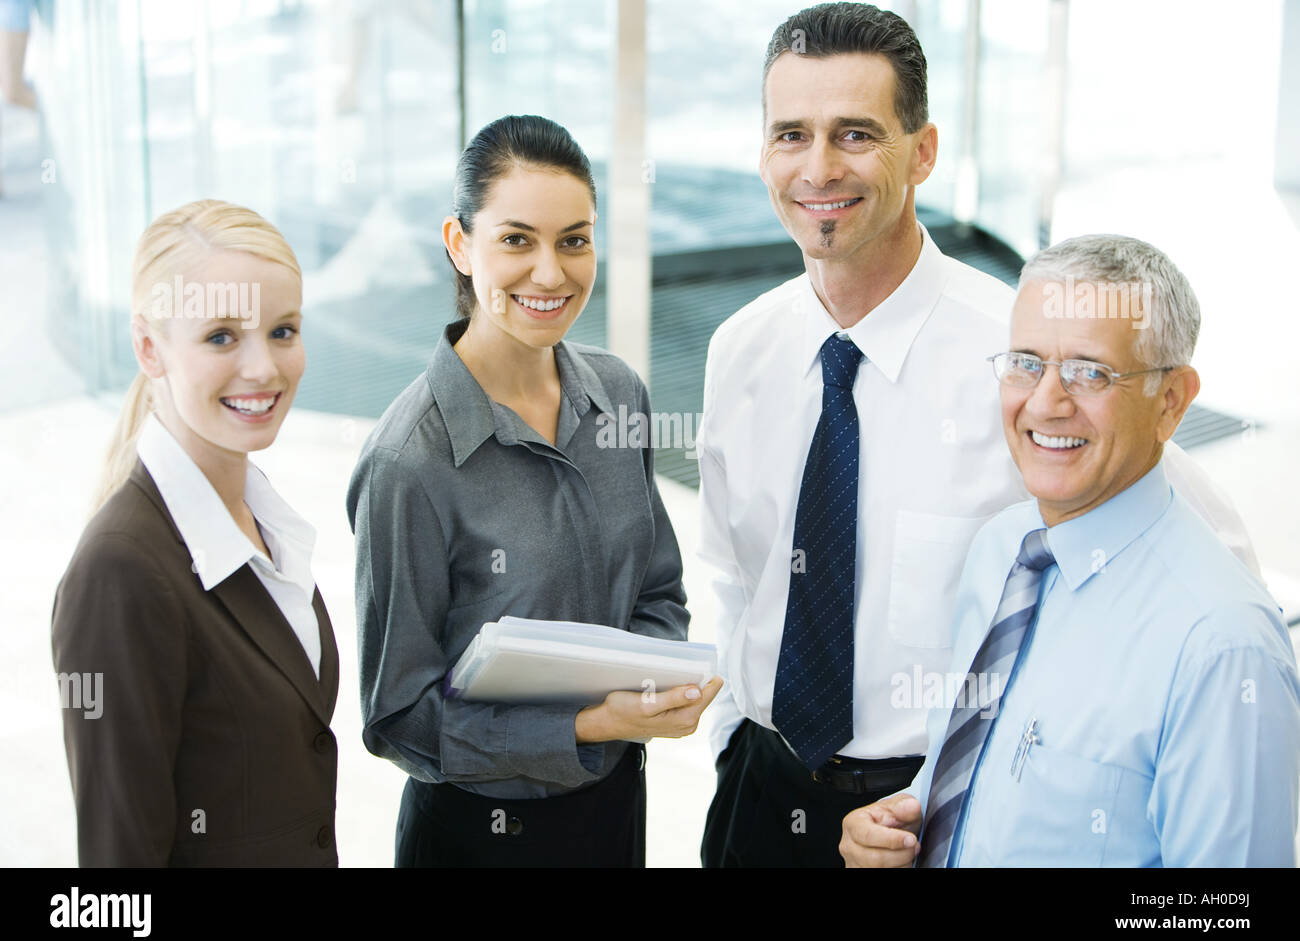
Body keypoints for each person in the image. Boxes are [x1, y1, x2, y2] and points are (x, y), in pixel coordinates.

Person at [697, 1, 1263, 868]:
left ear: (923, 150)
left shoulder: (1028, 362)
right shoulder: (739, 349)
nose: (818, 168)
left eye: (855, 134)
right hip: (760, 799)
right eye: (790, 134)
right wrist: (736, 742)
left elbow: (1195, 554)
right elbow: (739, 580)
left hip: (924, 814)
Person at [840, 235, 1300, 867]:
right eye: (1026, 362)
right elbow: (987, 767)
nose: (1047, 402)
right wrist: (905, 820)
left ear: (1171, 401)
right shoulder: (1002, 549)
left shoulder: (1223, 648)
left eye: (1091, 373)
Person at [347, 114, 722, 868]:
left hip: (615, 814)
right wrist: (584, 723)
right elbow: (397, 718)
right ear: (460, 244)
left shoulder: (619, 393)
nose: (550, 273)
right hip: (476, 839)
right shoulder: (407, 463)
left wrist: (653, 679)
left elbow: (657, 591)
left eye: (574, 240)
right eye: (517, 240)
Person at [51, 199, 340, 866]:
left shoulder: (260, 519)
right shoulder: (120, 574)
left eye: (283, 330)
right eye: (220, 337)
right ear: (149, 347)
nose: (264, 368)